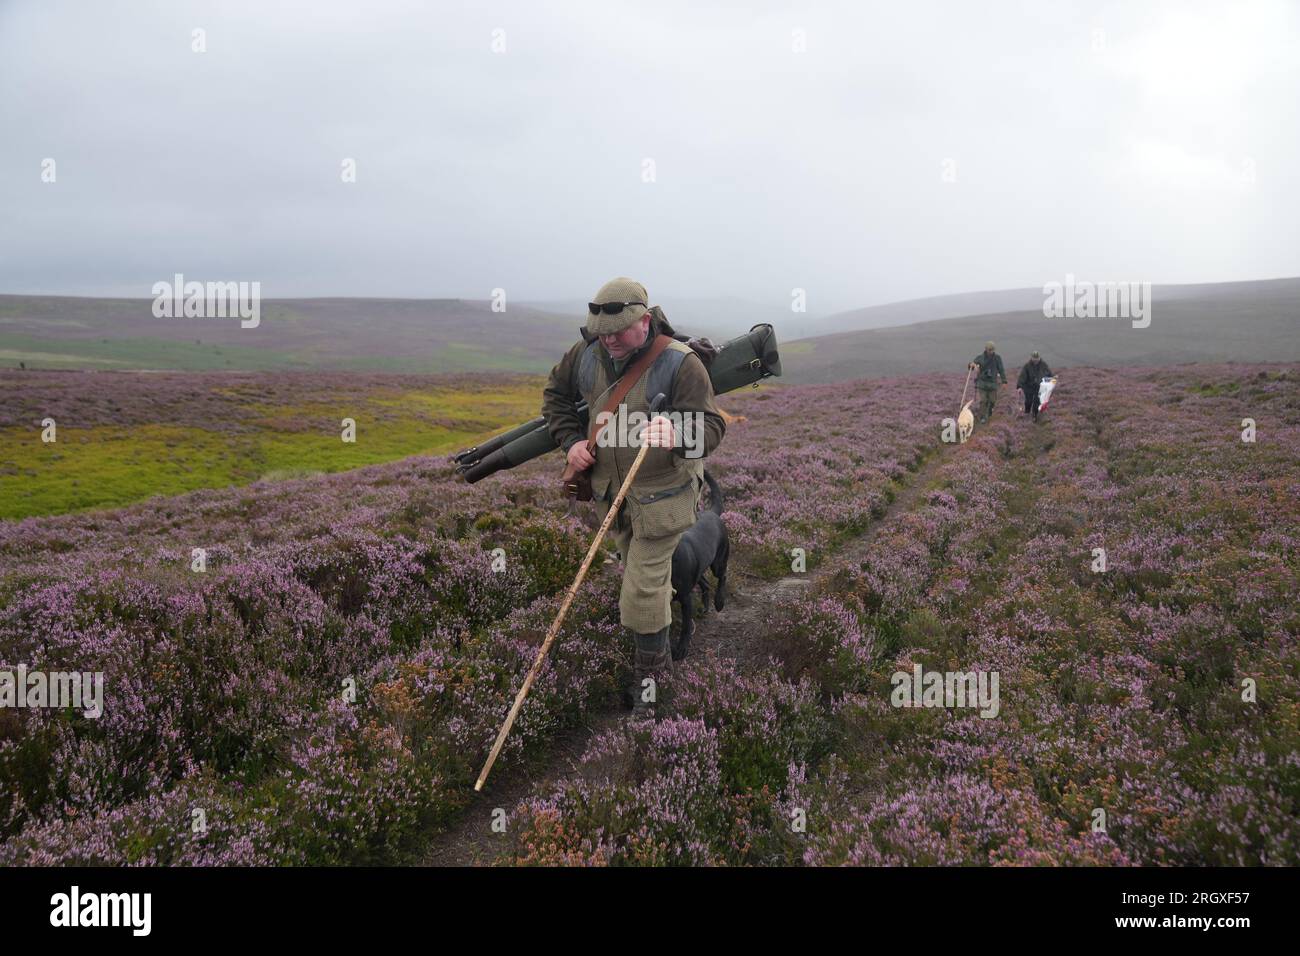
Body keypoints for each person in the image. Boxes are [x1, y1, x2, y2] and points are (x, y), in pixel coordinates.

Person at [542, 277, 725, 718]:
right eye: (602, 333)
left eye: (619, 332)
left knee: (640, 589)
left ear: (645, 321)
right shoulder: (585, 356)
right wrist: (570, 441)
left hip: (664, 497)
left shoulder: (681, 364)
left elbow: (713, 429)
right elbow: (555, 397)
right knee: (645, 580)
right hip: (614, 500)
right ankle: (663, 640)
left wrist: (679, 434)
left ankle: (651, 683)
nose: (609, 340)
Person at [968, 341, 1007, 424]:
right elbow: (972, 365)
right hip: (982, 383)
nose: (991, 351)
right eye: (989, 350)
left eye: (992, 350)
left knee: (992, 401)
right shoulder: (980, 358)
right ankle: (982, 417)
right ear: (985, 349)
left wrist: (1004, 381)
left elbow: (1001, 370)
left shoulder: (997, 358)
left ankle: (989, 412)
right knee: (983, 400)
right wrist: (971, 365)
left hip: (993, 384)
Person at [1016, 350, 1054, 421]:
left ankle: (1034, 416)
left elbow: (1049, 374)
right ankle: (1027, 413)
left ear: (1039, 358)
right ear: (1031, 358)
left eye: (1037, 358)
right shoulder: (1027, 366)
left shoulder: (1044, 365)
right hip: (1028, 387)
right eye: (1034, 358)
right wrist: (1019, 386)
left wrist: (1051, 382)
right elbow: (1022, 377)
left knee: (1037, 401)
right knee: (1028, 401)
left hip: (1039, 387)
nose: (1035, 360)